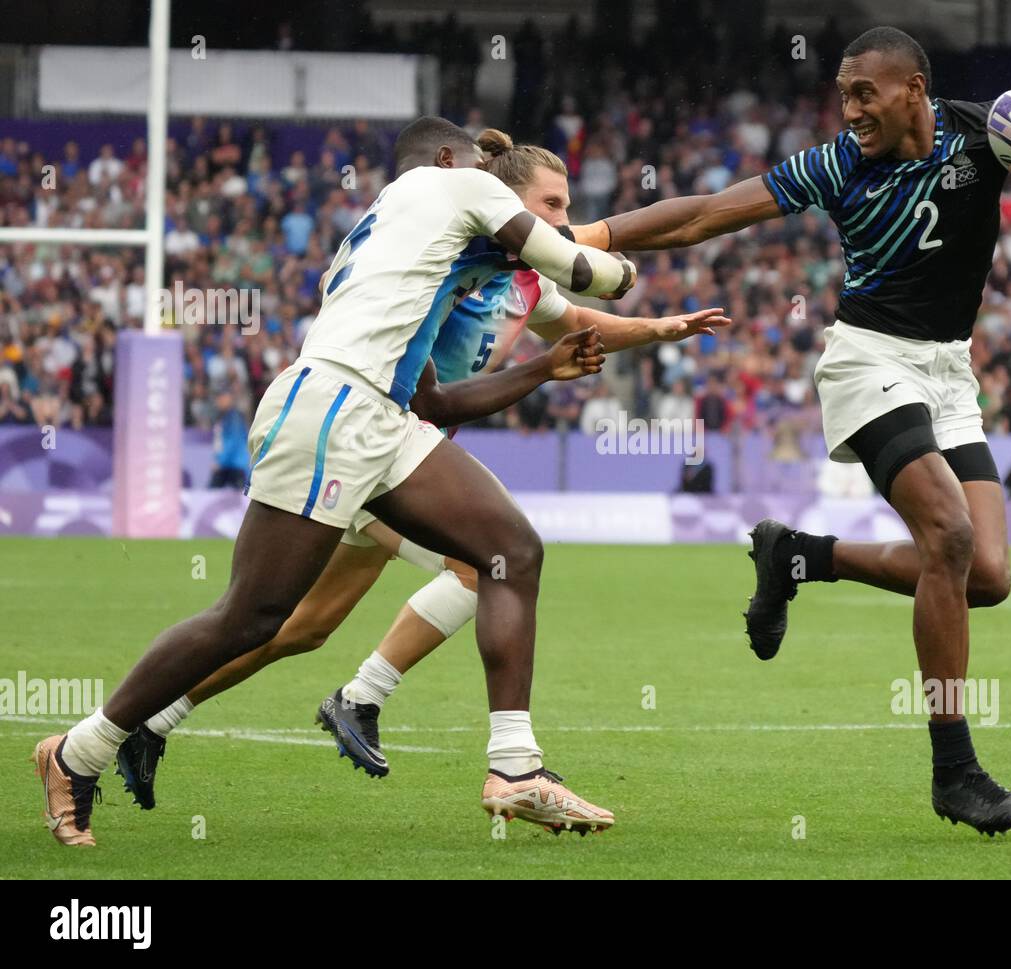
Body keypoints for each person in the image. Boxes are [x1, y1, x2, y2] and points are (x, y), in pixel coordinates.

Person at [571, 26, 1011, 835]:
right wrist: (592, 237)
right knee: (946, 535)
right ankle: (957, 771)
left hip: (950, 371)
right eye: (844, 96)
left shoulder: (987, 126)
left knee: (986, 576)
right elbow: (705, 214)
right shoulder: (838, 163)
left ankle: (800, 556)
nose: (852, 110)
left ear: (913, 89)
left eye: (864, 93)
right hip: (869, 360)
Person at [33, 116, 638, 847]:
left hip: (377, 416)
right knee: (253, 617)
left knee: (509, 550)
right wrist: (627, 269)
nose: (486, 174)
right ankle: (79, 750)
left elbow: (438, 400)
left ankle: (514, 767)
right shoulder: (452, 189)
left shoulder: (396, 229)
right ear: (447, 161)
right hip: (336, 410)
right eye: (477, 164)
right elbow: (582, 273)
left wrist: (547, 356)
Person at [115, 130, 728, 793]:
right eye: (550, 202)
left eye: (567, 203)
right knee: (485, 561)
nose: (562, 218)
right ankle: (369, 698)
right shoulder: (453, 258)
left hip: (400, 452)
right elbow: (438, 381)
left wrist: (660, 329)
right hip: (377, 437)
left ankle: (154, 717)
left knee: (301, 625)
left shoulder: (521, 280)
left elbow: (577, 320)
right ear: (507, 199)